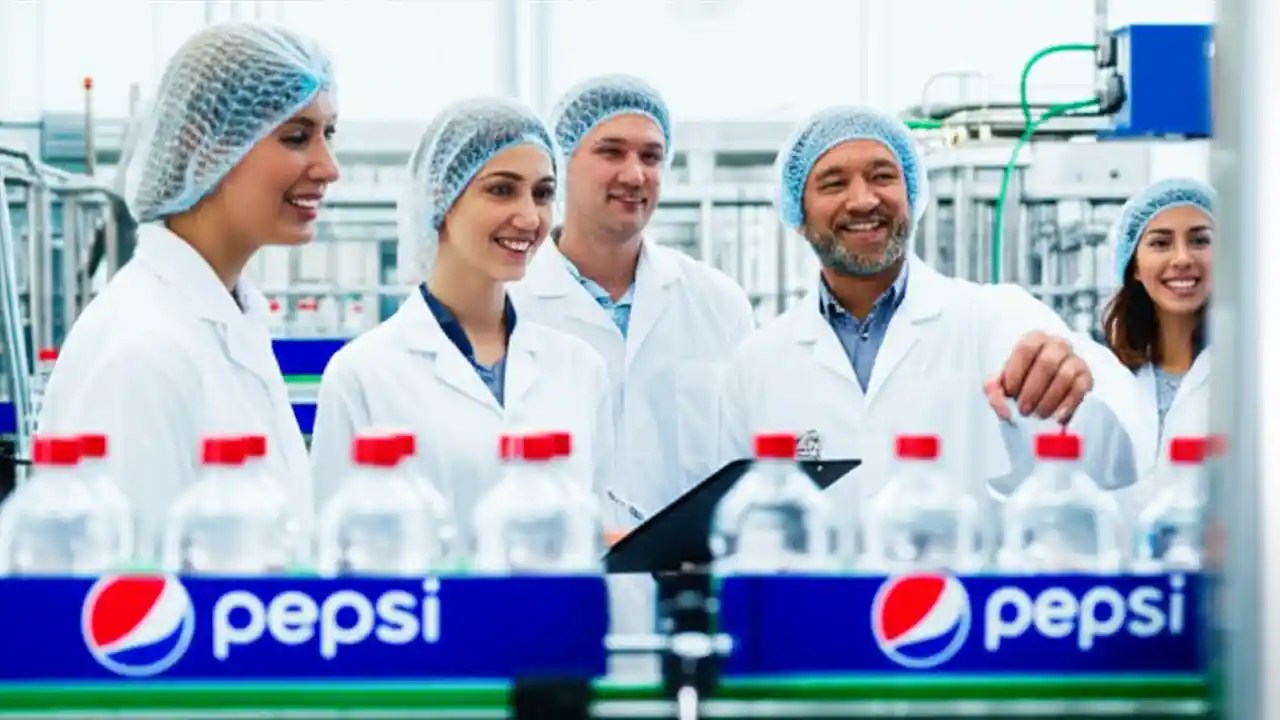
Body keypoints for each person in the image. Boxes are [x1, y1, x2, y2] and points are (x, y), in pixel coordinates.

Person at [716, 106, 1139, 511]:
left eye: (883, 176)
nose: (863, 200)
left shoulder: (994, 318)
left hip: (956, 587)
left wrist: (1076, 383)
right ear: (798, 212)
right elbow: (729, 523)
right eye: (833, 183)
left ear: (912, 194)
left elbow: (1117, 456)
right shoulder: (758, 363)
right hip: (815, 590)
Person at [37, 22, 338, 561]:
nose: (328, 167)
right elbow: (133, 606)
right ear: (207, 145)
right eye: (296, 136)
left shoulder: (225, 319)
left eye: (328, 134)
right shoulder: (143, 351)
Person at [308, 98, 613, 533]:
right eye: (502, 189)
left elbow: (599, 538)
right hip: (429, 603)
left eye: (543, 194)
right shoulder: (363, 373)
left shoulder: (580, 368)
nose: (529, 217)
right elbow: (336, 548)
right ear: (441, 198)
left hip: (555, 604)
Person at [509, 74, 755, 529]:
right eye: (611, 151)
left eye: (651, 156)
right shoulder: (508, 305)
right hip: (559, 578)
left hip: (687, 585)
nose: (635, 173)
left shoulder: (718, 303)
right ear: (561, 163)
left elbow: (746, 463)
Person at [1101, 178, 1214, 507]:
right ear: (1134, 265)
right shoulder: (1107, 379)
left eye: (1200, 240)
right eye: (1160, 243)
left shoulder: (1255, 376)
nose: (1182, 258)